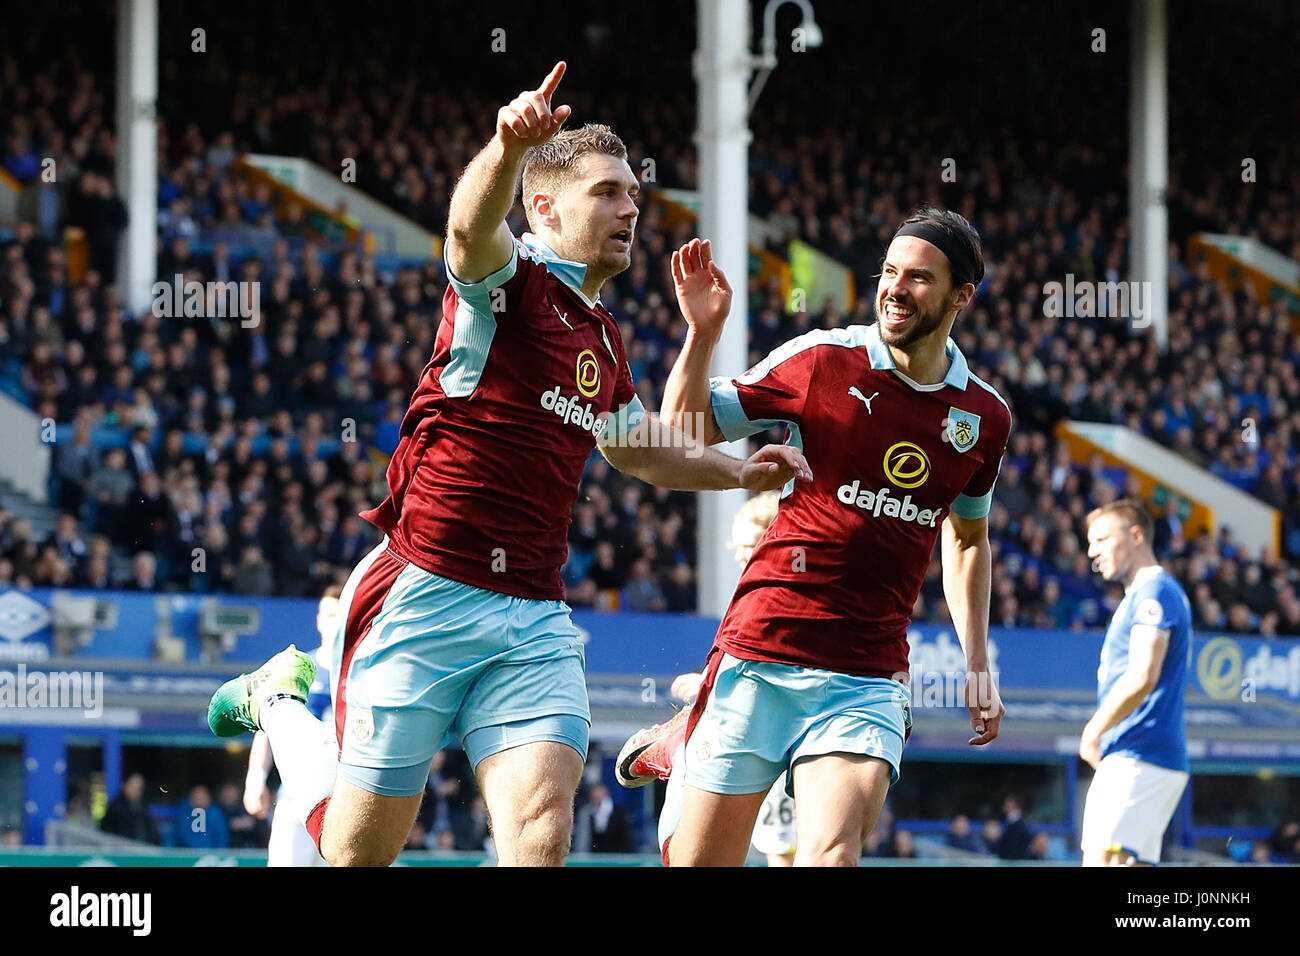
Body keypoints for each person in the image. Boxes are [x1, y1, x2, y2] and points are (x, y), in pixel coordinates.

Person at [207, 62, 809, 868]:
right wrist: (504, 144)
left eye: (632, 193)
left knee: (541, 835)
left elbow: (635, 446)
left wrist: (737, 472)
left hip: (532, 613)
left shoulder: (601, 335)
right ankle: (280, 702)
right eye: (607, 192)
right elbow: (464, 230)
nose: (632, 207)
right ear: (544, 205)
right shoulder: (508, 283)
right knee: (355, 856)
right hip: (422, 591)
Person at [619, 206, 1011, 866]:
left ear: (960, 296)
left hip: (867, 673)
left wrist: (977, 664)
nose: (895, 287)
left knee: (830, 856)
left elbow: (968, 538)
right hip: (764, 647)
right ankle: (686, 738)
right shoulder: (822, 360)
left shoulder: (983, 418)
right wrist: (702, 334)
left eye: (918, 278)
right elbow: (682, 433)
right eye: (889, 271)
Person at [1079, 499, 1192, 866]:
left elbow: (1144, 675)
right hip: (1140, 756)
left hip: (1137, 754)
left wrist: (1093, 731)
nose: (1092, 552)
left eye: (1102, 539)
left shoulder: (1155, 592)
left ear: (1136, 536)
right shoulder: (1142, 596)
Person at [243, 586, 340, 867]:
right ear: (319, 619)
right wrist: (256, 780)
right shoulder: (298, 669)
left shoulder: (361, 671)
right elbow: (269, 727)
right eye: (329, 614)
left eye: (339, 614)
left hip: (345, 802)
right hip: (297, 799)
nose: (334, 621)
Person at [100, 772, 160, 845]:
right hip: (124, 851)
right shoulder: (116, 807)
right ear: (124, 785)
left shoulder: (144, 807)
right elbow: (106, 833)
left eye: (139, 788)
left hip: (144, 850)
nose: (136, 791)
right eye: (132, 786)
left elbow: (153, 833)